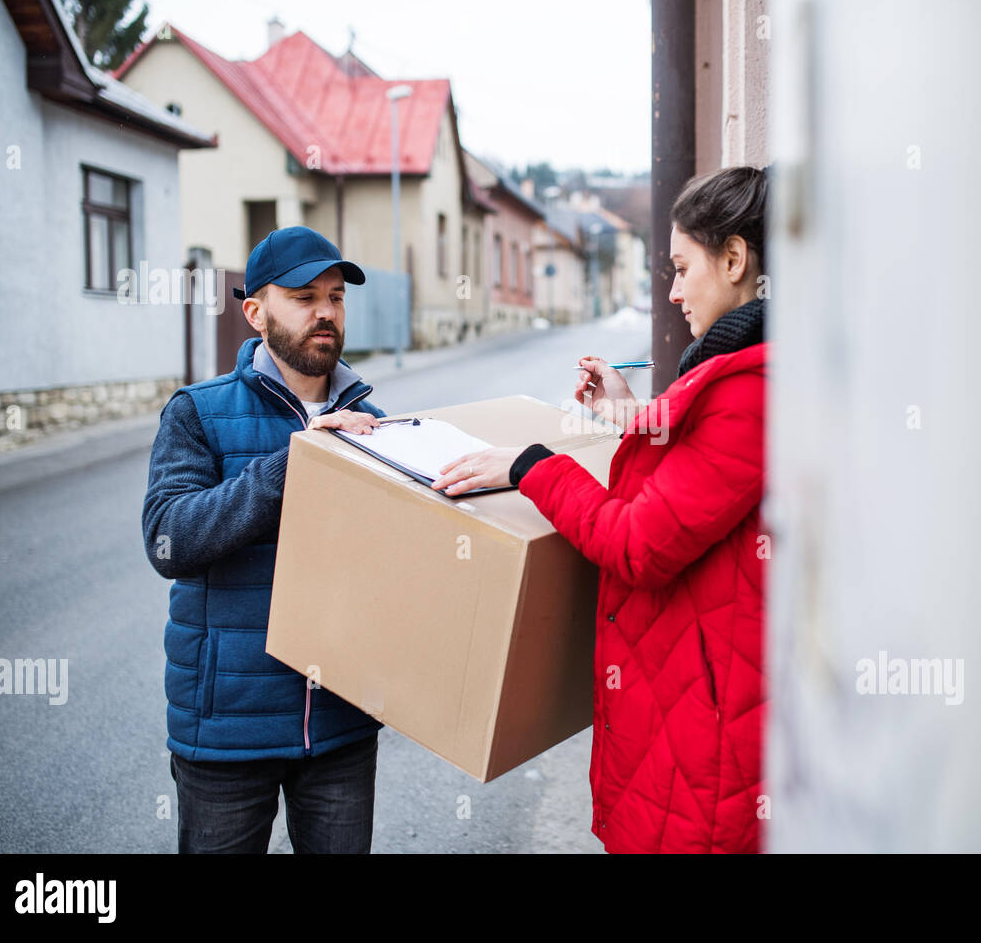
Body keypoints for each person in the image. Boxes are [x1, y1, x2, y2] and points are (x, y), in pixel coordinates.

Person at [432, 166, 770, 853]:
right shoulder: (743, 372)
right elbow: (701, 468)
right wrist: (628, 413)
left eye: (682, 268)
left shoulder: (755, 386)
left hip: (703, 741)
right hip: (689, 710)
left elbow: (639, 543)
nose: (673, 292)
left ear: (734, 259)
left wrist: (532, 467)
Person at [142, 226, 388, 853]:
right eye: (303, 297)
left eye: (335, 296)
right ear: (255, 312)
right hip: (228, 729)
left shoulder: (375, 425)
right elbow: (168, 539)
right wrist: (292, 463)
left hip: (339, 724)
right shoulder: (196, 412)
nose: (325, 312)